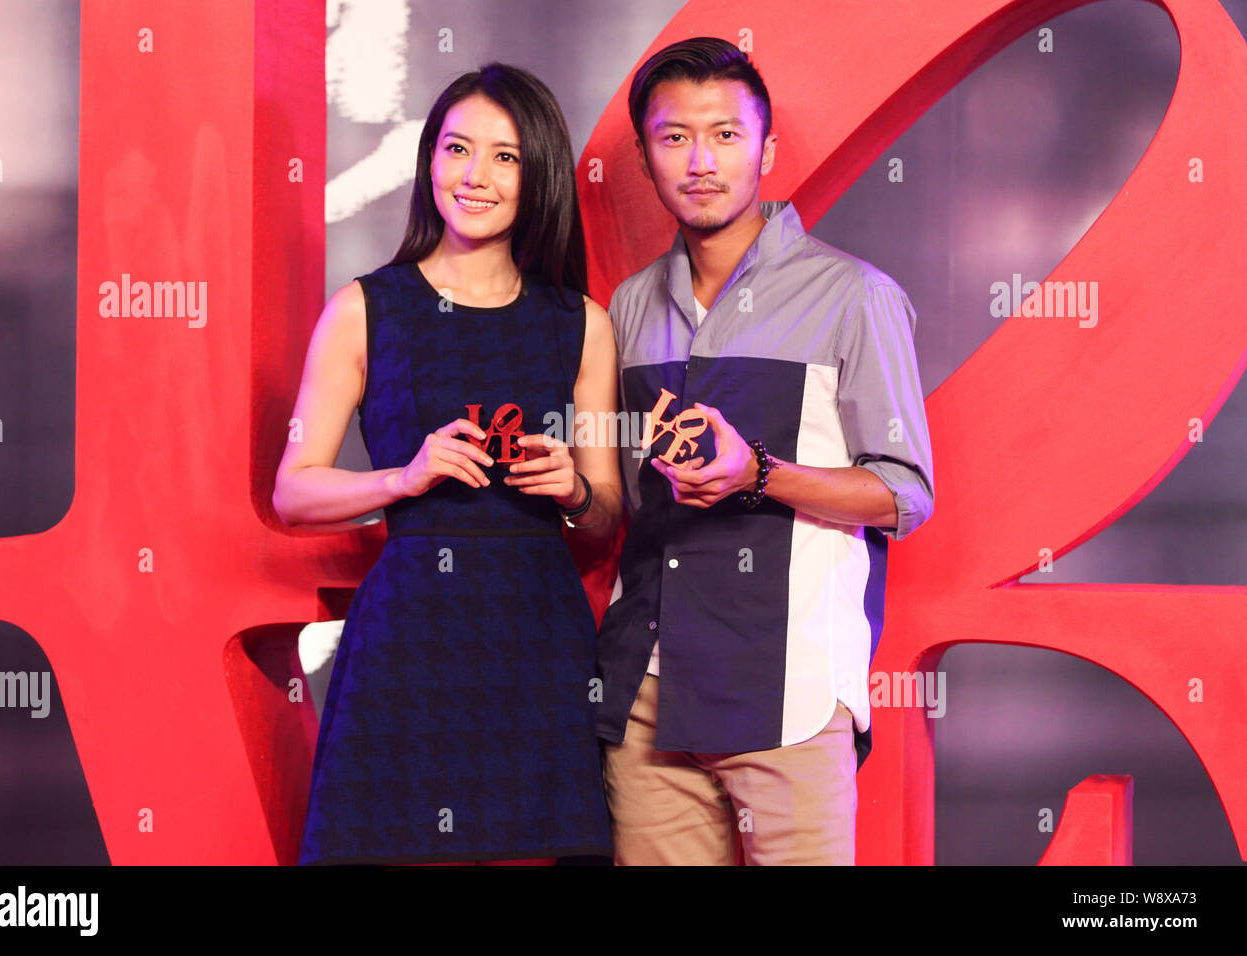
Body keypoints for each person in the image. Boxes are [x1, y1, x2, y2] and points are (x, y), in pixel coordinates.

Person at [596, 37, 936, 865]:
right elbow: (627, 498)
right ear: (644, 156)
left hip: (787, 693)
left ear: (767, 151)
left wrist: (758, 474)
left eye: (726, 135)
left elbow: (905, 494)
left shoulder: (855, 296)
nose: (701, 160)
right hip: (645, 691)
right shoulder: (631, 305)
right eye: (675, 137)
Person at [276, 62, 621, 865]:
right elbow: (294, 491)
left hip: (538, 637)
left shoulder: (581, 324)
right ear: (428, 159)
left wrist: (573, 489)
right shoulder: (366, 307)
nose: (475, 175)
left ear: (536, 175)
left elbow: (606, 516)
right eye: (457, 148)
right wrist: (403, 477)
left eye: (504, 157)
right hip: (411, 640)